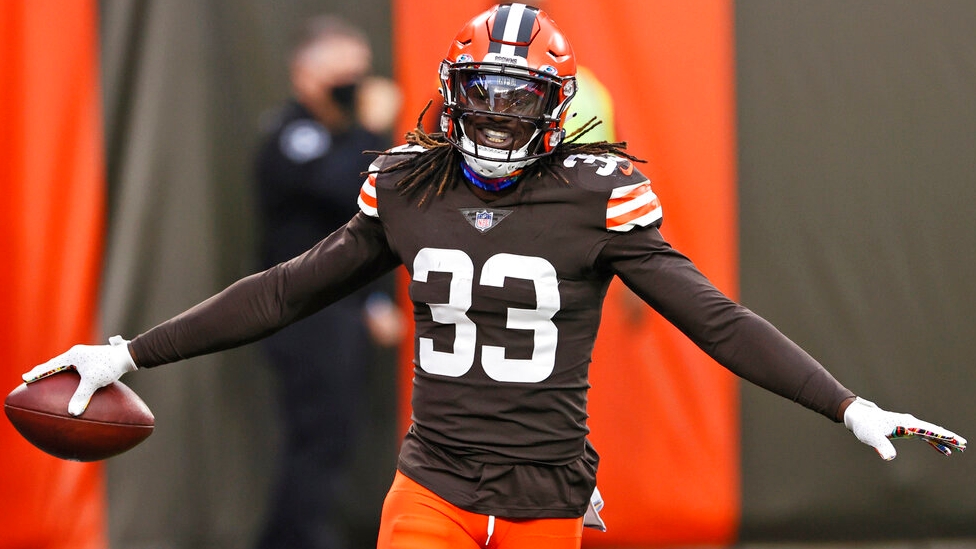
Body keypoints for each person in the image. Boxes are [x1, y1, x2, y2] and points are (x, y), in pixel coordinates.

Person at [24, 4, 965, 549]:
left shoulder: (600, 194)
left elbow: (714, 318)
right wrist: (123, 352)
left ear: (557, 108)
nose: (500, 117)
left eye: (520, 99)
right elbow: (283, 289)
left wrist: (850, 407)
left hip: (548, 490)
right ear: (453, 92)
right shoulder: (406, 183)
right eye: (483, 94)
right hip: (430, 482)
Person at [250, 15, 402, 549]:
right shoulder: (294, 135)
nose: (354, 83)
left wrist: (377, 299)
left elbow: (361, 237)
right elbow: (350, 192)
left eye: (360, 72)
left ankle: (294, 536)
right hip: (301, 315)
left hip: (340, 311)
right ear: (305, 72)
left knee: (334, 435)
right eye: (343, 71)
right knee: (317, 436)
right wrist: (372, 128)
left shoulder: (337, 135)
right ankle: (292, 539)